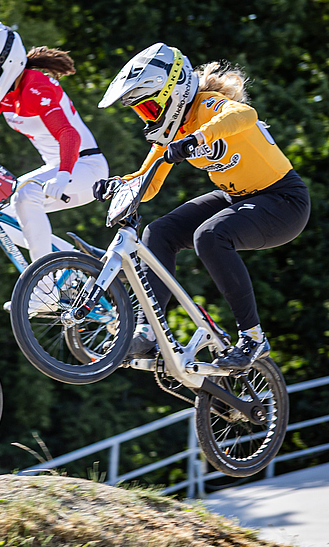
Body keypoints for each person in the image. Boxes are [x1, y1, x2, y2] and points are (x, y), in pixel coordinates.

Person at [95, 44, 310, 370]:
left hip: (282, 201)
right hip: (237, 196)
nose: (148, 117)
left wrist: (199, 138)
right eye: (142, 112)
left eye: (151, 107)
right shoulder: (173, 131)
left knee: (210, 236)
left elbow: (245, 114)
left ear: (173, 93)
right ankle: (148, 330)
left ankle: (253, 337)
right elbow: (147, 183)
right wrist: (117, 184)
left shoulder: (207, 108)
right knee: (160, 232)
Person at [0, 22, 108, 272]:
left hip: (85, 167)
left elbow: (68, 134)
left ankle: (41, 283)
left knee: (24, 195)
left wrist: (64, 174)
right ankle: (76, 264)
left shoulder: (35, 86)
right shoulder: (5, 93)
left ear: (7, 64)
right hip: (58, 168)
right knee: (5, 219)